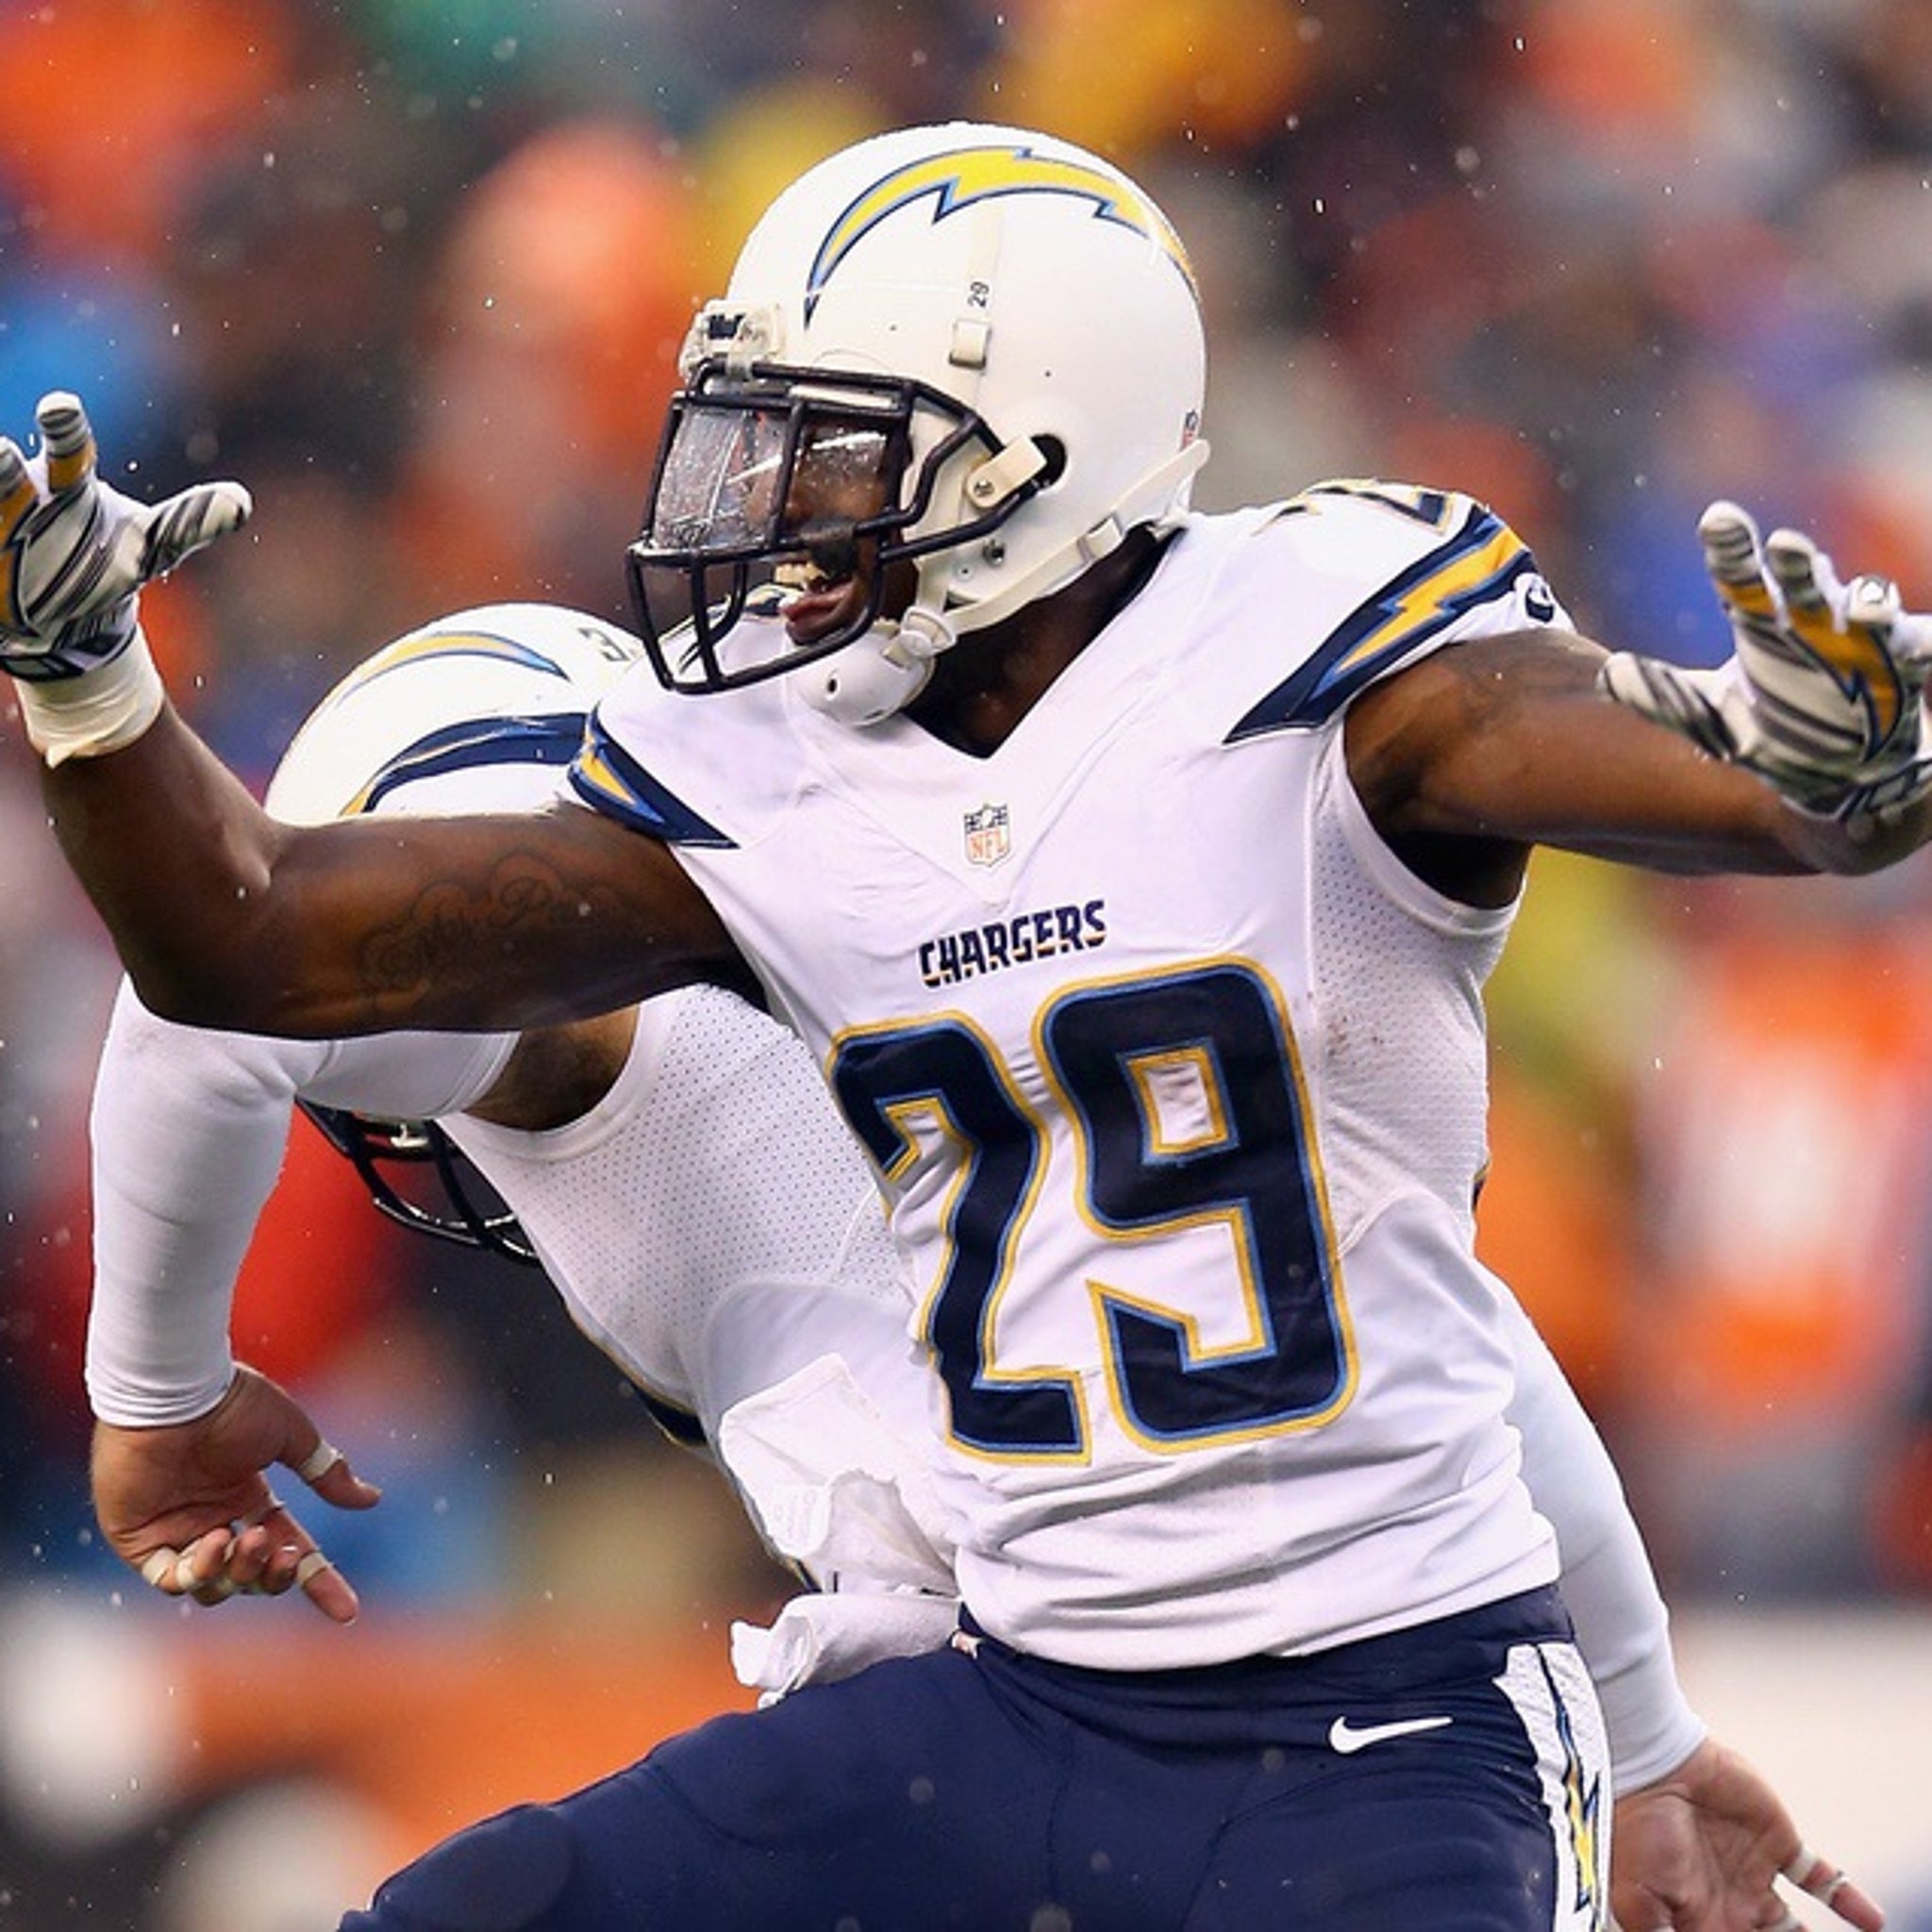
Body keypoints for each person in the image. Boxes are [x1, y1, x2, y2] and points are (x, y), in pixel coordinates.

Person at [0, 118, 1911, 1928]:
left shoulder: (1312, 657)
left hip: (1388, 1727)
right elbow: (247, 953)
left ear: (1030, 458)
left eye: (827, 454)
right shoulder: (773, 781)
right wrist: (91, 683)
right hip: (1030, 1705)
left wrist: (1787, 780)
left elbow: (1573, 744)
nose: (763, 514)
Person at [82, 600, 1871, 1930]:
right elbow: (1432, 1344)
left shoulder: (557, 1007)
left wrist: (157, 1403)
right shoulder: (905, 927)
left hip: (1271, 1726)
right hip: (1072, 1719)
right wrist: (1642, 1732)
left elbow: (208, 1007)